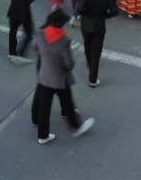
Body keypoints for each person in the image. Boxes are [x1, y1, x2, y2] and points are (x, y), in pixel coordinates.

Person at [31, 8, 95, 144]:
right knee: (67, 100)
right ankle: (76, 125)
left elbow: (35, 47)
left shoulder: (40, 34)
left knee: (44, 105)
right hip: (59, 78)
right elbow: (69, 64)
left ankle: (42, 134)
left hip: (44, 76)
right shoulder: (63, 41)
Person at [78, 0, 116, 87]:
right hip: (99, 26)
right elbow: (115, 11)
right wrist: (103, 16)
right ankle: (92, 80)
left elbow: (80, 9)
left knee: (87, 46)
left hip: (86, 25)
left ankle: (89, 63)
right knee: (96, 52)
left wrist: (85, 14)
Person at [6, 0, 38, 64]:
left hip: (13, 9)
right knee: (29, 33)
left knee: (13, 32)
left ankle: (12, 53)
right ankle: (21, 54)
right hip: (24, 12)